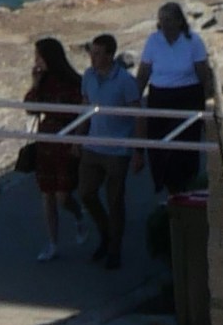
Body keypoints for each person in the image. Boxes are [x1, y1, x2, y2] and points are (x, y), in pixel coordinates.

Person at [139, 0, 214, 208]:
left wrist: (207, 100)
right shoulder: (153, 41)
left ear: (180, 21)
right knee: (158, 145)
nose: (165, 24)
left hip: (187, 97)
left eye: (169, 19)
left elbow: (203, 73)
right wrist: (135, 96)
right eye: (161, 20)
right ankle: (169, 189)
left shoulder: (193, 42)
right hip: (159, 96)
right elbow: (144, 70)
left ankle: (184, 190)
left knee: (182, 149)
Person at [79, 29, 140, 271]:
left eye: (97, 53)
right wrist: (77, 138)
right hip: (92, 145)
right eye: (91, 52)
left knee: (115, 200)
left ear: (109, 55)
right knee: (86, 193)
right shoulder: (88, 76)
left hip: (118, 148)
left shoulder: (125, 81)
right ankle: (105, 232)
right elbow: (85, 107)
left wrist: (138, 150)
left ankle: (114, 249)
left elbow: (139, 115)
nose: (92, 57)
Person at [23, 31, 86, 260]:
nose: (36, 61)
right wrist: (35, 83)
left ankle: (79, 215)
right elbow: (30, 107)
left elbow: (81, 112)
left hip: (65, 141)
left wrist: (77, 141)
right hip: (46, 141)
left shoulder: (72, 83)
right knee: (47, 193)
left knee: (63, 196)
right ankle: (52, 242)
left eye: (39, 56)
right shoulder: (43, 83)